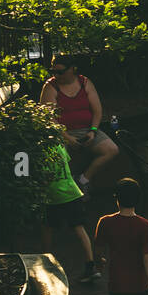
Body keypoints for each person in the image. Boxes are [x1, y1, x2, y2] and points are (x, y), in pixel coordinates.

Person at [39, 55, 118, 193]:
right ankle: (69, 192)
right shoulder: (50, 87)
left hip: (87, 130)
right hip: (61, 133)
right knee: (57, 160)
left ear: (72, 69)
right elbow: (48, 118)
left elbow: (97, 111)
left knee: (111, 150)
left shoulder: (84, 82)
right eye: (54, 72)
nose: (57, 75)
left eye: (60, 72)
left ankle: (83, 180)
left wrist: (93, 131)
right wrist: (66, 137)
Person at [43, 142, 99, 285]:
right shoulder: (59, 146)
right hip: (72, 191)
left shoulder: (39, 153)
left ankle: (46, 261)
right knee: (79, 228)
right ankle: (90, 265)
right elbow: (66, 162)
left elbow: (44, 176)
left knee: (48, 227)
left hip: (54, 195)